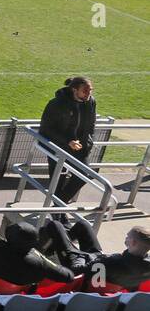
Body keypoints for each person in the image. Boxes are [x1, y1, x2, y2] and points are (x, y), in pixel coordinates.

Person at [37, 76, 97, 251]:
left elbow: (91, 124)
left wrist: (88, 143)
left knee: (85, 175)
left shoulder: (91, 102)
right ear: (74, 90)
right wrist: (68, 141)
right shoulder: (56, 104)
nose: (88, 94)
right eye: (85, 90)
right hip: (58, 148)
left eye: (90, 90)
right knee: (59, 179)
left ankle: (58, 207)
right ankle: (59, 214)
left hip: (80, 148)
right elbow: (46, 129)